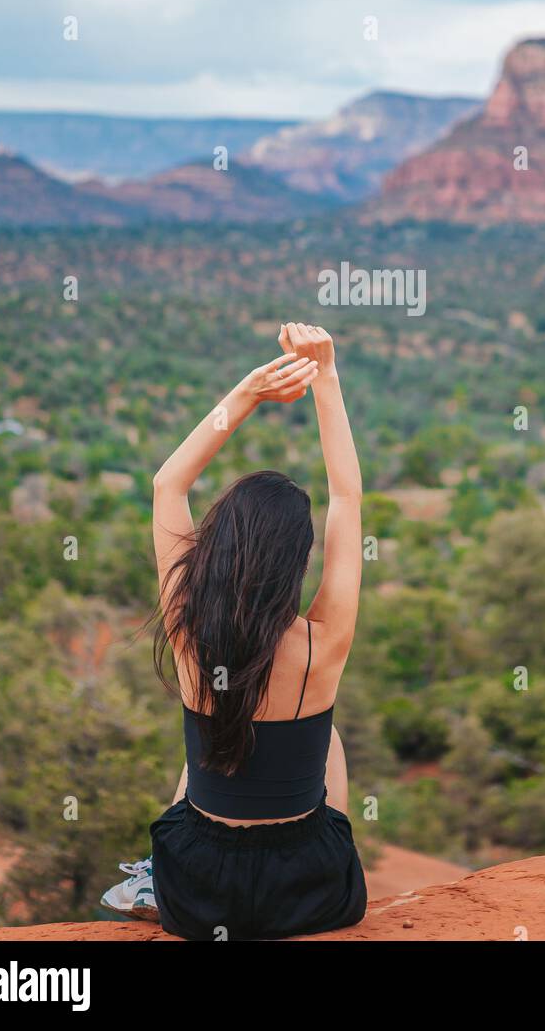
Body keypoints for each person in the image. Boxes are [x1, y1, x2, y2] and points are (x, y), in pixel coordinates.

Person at [101, 322, 367, 940]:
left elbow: (168, 483)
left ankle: (147, 877)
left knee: (209, 731)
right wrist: (326, 377)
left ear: (218, 548)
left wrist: (248, 394)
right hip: (311, 890)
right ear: (296, 563)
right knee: (328, 739)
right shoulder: (325, 640)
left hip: (197, 891)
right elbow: (347, 499)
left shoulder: (189, 628)